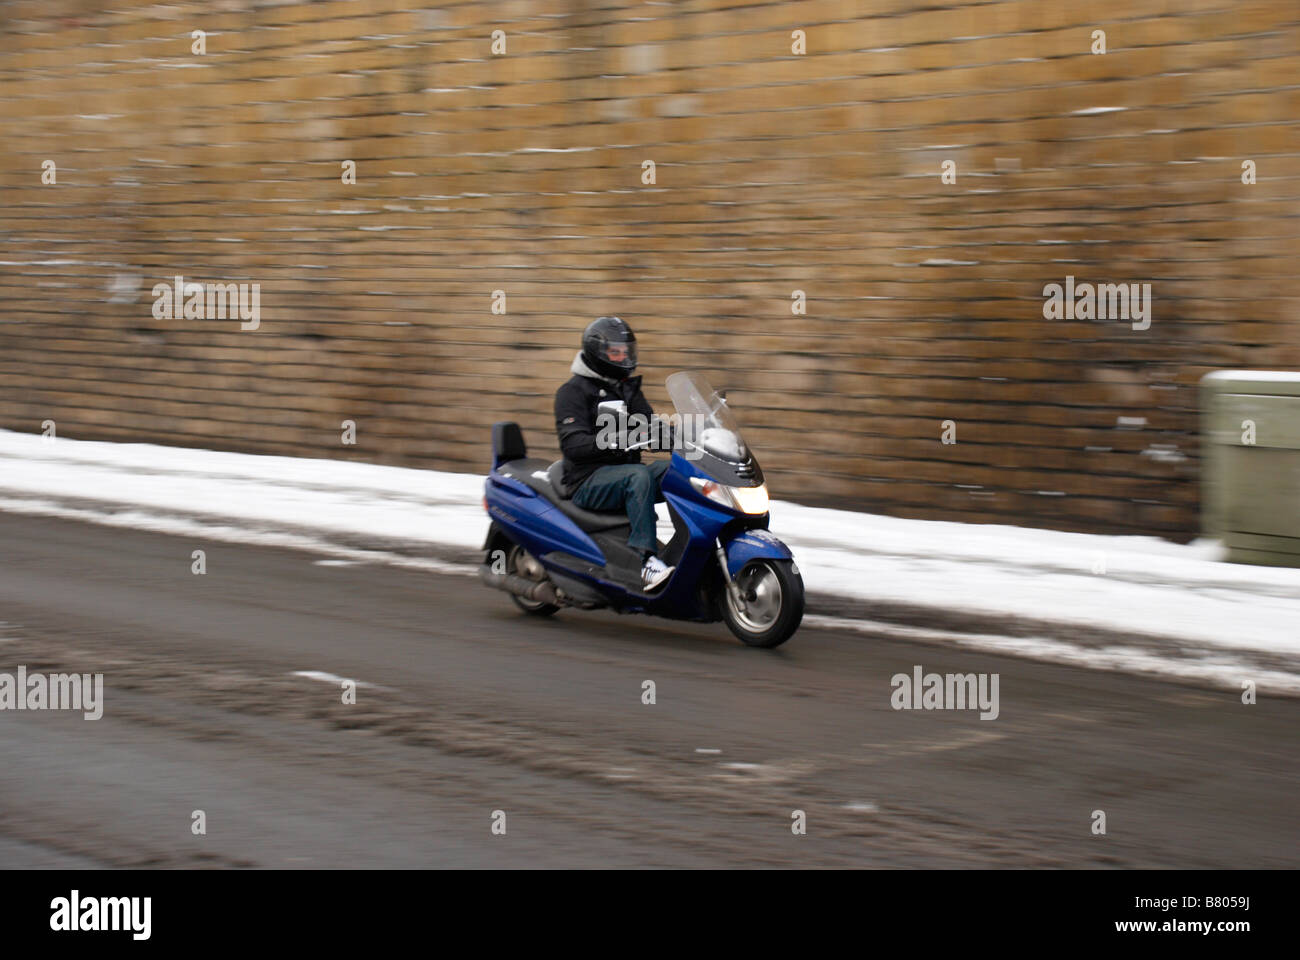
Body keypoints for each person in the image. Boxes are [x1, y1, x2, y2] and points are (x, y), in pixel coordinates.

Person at [554, 316, 675, 591]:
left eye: (626, 351)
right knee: (638, 476)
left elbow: (649, 426)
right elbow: (573, 445)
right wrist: (616, 440)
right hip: (587, 480)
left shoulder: (626, 388)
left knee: (679, 471)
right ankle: (645, 562)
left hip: (625, 474)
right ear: (597, 353)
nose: (623, 357)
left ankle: (695, 549)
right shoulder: (572, 392)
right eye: (615, 352)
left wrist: (686, 439)